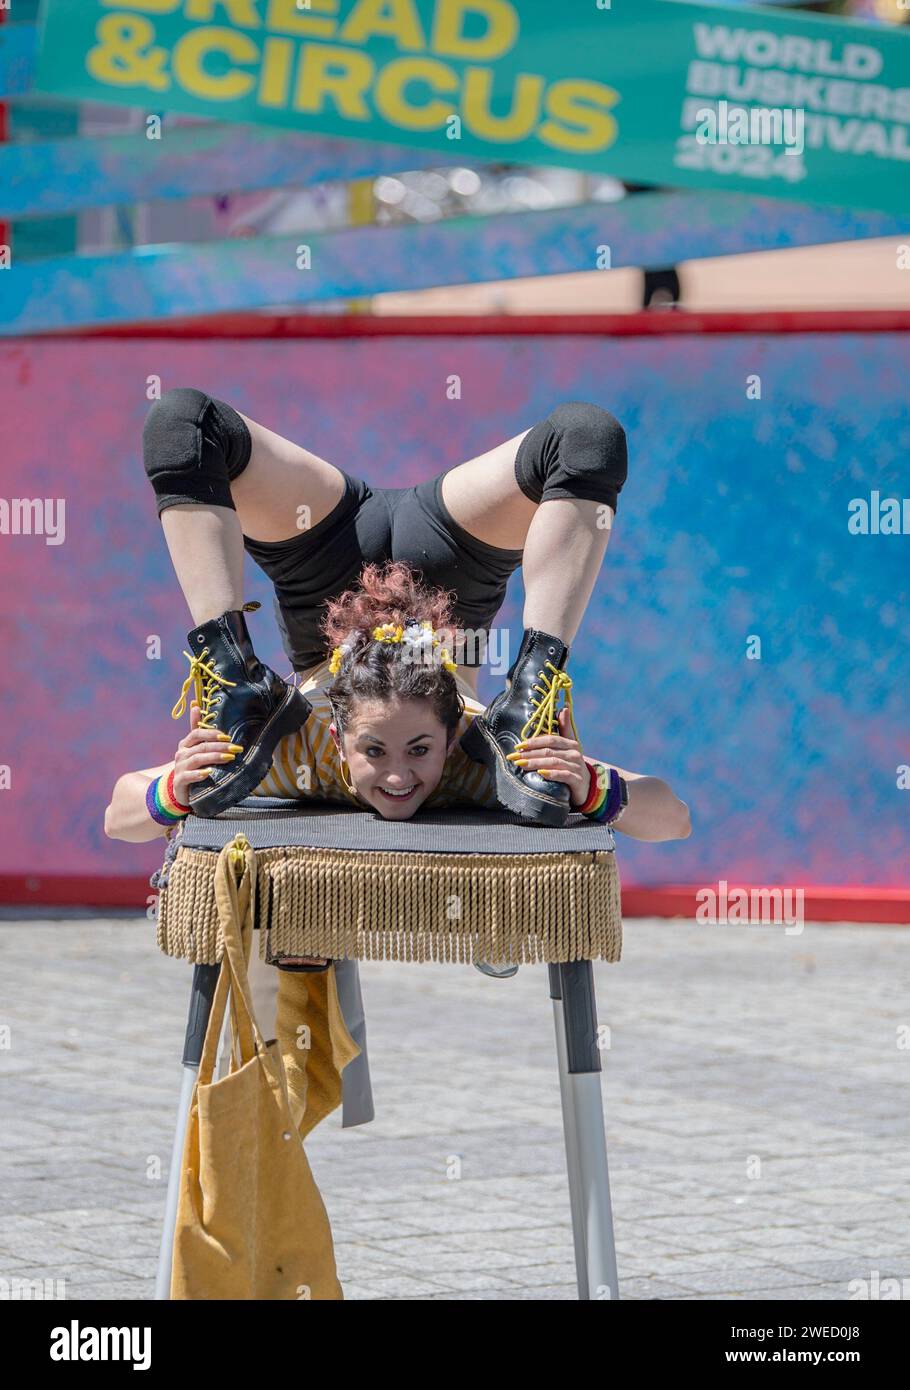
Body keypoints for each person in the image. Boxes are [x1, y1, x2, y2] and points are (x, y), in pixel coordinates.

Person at [105, 391, 691, 975]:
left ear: (454, 727)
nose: (397, 775)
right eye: (375, 750)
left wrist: (589, 783)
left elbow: (674, 816)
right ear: (335, 738)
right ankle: (230, 670)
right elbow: (118, 813)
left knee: (588, 434)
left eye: (418, 750)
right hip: (449, 568)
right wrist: (174, 789)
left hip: (327, 567)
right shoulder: (282, 749)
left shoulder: (483, 753)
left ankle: (534, 675)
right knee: (181, 421)